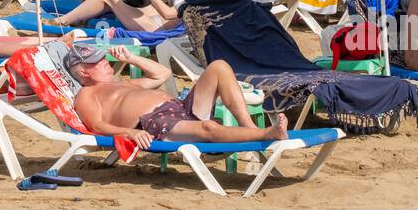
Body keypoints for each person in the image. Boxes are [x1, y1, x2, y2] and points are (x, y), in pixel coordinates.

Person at [69, 43, 288, 150]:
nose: (106, 60)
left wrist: (131, 59)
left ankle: (248, 127)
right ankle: (266, 133)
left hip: (180, 107)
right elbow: (97, 125)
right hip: (156, 122)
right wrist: (129, 133)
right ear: (83, 72)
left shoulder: (123, 83)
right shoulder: (87, 95)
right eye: (98, 61)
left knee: (219, 67)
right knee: (208, 128)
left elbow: (162, 74)